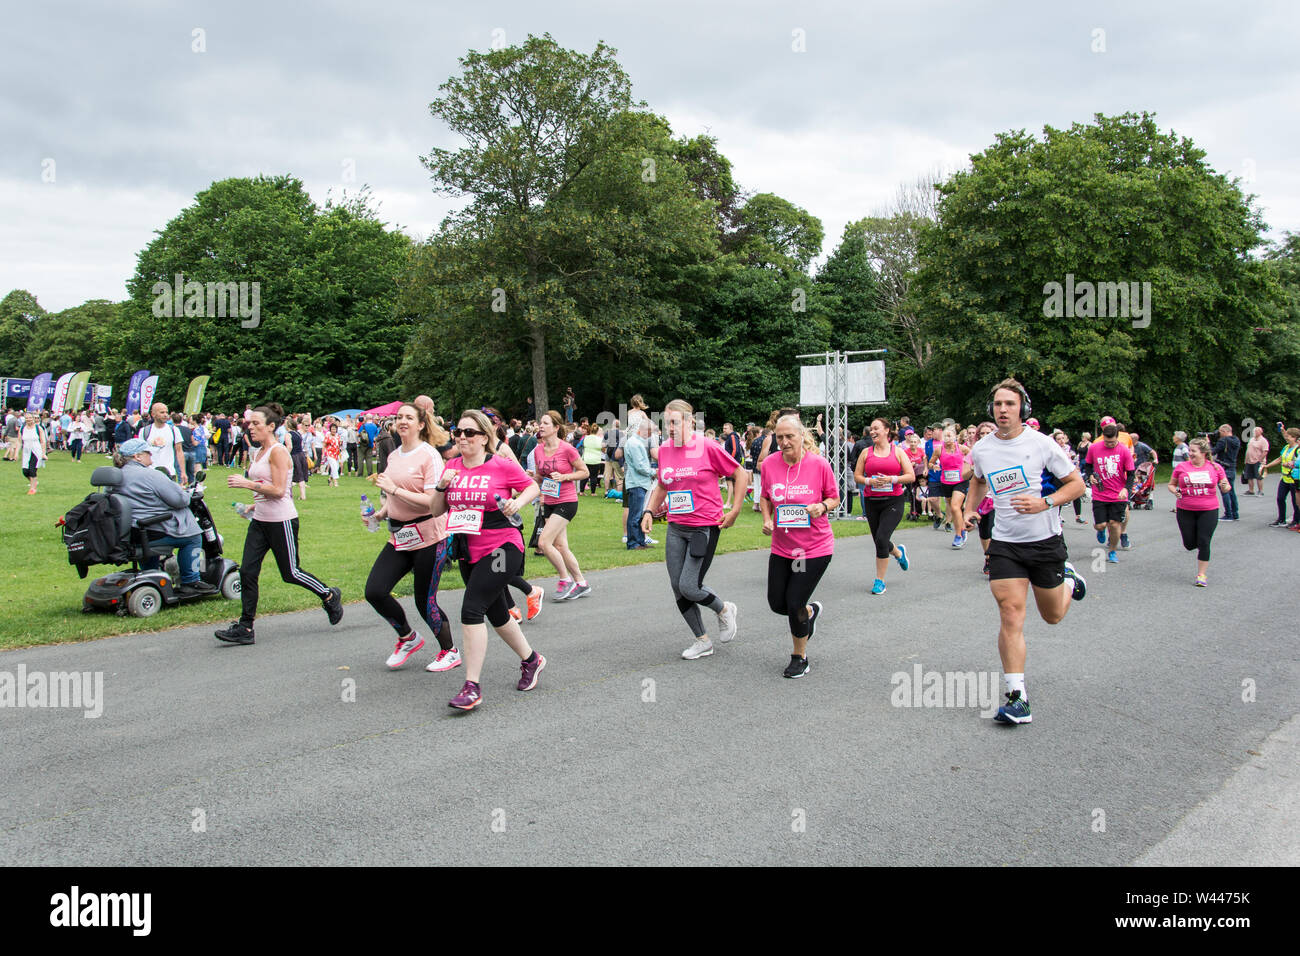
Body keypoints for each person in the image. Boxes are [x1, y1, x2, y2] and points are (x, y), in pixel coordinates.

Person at [963, 379, 1087, 726]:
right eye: (998, 404)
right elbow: (978, 480)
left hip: (1045, 541)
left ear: (1023, 409)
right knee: (1010, 613)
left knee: (1052, 616)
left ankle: (1069, 582)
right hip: (1005, 544)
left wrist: (1044, 502)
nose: (1003, 409)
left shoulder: (1042, 444)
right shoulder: (984, 449)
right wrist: (972, 510)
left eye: (1010, 404)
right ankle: (1018, 698)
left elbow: (1076, 485)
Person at [431, 409, 545, 711]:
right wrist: (442, 486)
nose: (463, 438)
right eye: (459, 432)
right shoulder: (452, 466)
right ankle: (532, 660)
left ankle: (472, 686)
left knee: (471, 610)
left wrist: (516, 502)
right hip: (469, 550)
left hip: (502, 545)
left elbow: (532, 486)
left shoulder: (500, 465)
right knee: (496, 615)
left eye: (470, 433)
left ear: (484, 437)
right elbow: (435, 510)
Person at [215, 403, 343, 645]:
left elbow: (278, 490)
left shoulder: (278, 452)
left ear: (271, 426)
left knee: (290, 573)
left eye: (256, 424)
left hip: (281, 520)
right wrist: (253, 504)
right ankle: (245, 627)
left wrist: (247, 485)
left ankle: (328, 595)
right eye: (249, 423)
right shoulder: (258, 452)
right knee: (247, 571)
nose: (250, 427)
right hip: (260, 520)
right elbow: (267, 489)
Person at [641, 399, 747, 661]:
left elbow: (741, 474)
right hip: (677, 528)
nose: (671, 428)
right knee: (677, 587)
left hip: (704, 527)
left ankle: (723, 610)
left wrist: (733, 510)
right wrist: (648, 511)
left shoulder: (707, 446)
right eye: (667, 423)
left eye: (676, 422)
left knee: (689, 585)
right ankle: (702, 640)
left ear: (690, 422)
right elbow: (663, 486)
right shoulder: (665, 450)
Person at [367, 403, 461, 672]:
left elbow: (432, 502)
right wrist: (379, 515)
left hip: (430, 535)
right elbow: (390, 496)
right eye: (399, 417)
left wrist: (395, 490)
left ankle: (450, 651)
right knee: (375, 590)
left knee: (424, 600)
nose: (402, 421)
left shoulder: (428, 455)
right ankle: (407, 638)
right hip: (400, 535)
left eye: (409, 417)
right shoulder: (394, 456)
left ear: (421, 424)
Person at [760, 413, 838, 678]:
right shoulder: (770, 465)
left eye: (789, 436)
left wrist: (821, 506)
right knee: (776, 603)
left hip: (813, 548)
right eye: (779, 437)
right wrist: (768, 519)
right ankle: (809, 612)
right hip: (783, 546)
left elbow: (834, 498)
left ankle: (799, 656)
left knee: (793, 602)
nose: (783, 442)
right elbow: (765, 498)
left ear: (802, 436)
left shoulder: (818, 465)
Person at [113, 437, 215, 595]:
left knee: (147, 533)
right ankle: (191, 580)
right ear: (137, 456)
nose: (151, 458)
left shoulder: (116, 476)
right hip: (152, 529)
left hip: (129, 532)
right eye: (148, 454)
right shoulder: (150, 475)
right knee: (193, 537)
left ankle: (151, 574)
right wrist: (186, 494)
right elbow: (179, 499)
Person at [531, 410, 593, 600]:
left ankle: (565, 579)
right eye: (540, 423)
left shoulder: (567, 449)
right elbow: (541, 477)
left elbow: (585, 472)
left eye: (546, 423)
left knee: (543, 542)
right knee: (560, 546)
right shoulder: (538, 450)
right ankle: (581, 583)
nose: (541, 426)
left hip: (566, 501)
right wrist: (532, 478)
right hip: (549, 501)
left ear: (556, 428)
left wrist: (565, 476)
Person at [852, 417, 914, 594]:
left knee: (881, 539)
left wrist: (892, 479)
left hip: (893, 501)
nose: (872, 432)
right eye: (871, 429)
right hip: (872, 502)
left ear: (886, 430)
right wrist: (870, 481)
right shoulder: (866, 452)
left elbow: (910, 476)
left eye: (876, 428)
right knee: (880, 541)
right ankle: (898, 553)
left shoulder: (898, 452)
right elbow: (857, 476)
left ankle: (879, 581)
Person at [1168, 437, 1231, 586]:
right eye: (1189, 450)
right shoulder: (1182, 467)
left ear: (1203, 453)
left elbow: (1226, 487)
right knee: (1189, 544)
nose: (1190, 453)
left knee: (1204, 541)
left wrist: (1224, 486)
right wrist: (1175, 491)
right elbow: (1171, 484)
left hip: (1208, 509)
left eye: (1193, 451)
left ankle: (1201, 575)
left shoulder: (1215, 468)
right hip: (1185, 509)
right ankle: (1197, 544)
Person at [1083, 423, 1135, 563]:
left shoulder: (1124, 450)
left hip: (1118, 494)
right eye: (1106, 441)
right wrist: (1090, 476)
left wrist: (1126, 489)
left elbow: (1131, 474)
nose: (1109, 444)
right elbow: (1087, 466)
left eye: (1112, 442)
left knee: (1114, 524)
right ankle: (1100, 530)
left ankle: (1112, 551)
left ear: (1117, 438)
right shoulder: (1094, 448)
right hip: (1100, 492)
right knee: (1101, 525)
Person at [623, 414, 655, 549]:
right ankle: (633, 543)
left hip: (639, 482)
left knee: (639, 514)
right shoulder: (634, 444)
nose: (650, 435)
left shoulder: (636, 442)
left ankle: (640, 541)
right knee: (635, 515)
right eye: (650, 432)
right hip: (637, 483)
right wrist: (654, 472)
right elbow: (640, 466)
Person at [1264, 427, 1300, 529]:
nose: (1286, 437)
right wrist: (1267, 466)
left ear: (1294, 437)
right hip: (1284, 478)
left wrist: (1291, 464)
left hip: (1294, 478)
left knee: (1295, 501)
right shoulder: (1286, 447)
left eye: (1288, 435)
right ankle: (1281, 519)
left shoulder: (1298, 449)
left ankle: (1296, 520)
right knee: (1280, 498)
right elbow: (1279, 459)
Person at [138, 403, 184, 483]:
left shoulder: (174, 430)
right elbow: (141, 452)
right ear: (153, 414)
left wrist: (183, 472)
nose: (165, 415)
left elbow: (179, 452)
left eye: (166, 412)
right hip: (150, 472)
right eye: (162, 412)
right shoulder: (144, 431)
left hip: (169, 472)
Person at [1211, 424, 1241, 521]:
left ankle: (1228, 514)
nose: (1218, 434)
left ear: (1224, 431)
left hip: (1223, 468)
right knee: (1231, 491)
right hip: (1232, 466)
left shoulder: (1223, 441)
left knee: (1225, 492)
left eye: (1220, 432)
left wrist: (1208, 443)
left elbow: (1212, 452)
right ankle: (1235, 513)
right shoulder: (1236, 440)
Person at [19, 412, 47, 494]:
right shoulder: (22, 428)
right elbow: (19, 441)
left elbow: (43, 441)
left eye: (30, 418)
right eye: (27, 418)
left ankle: (32, 489)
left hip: (36, 451)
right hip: (26, 452)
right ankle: (33, 481)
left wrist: (43, 453)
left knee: (32, 470)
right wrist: (16, 453)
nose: (28, 419)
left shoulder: (38, 428)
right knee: (25, 471)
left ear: (33, 419)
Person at [1243, 426, 1269, 496]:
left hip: (1258, 461)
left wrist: (1260, 459)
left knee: (1258, 477)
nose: (1255, 432)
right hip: (1249, 461)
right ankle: (1251, 490)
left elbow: (1265, 451)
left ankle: (1260, 491)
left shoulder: (1263, 440)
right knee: (1249, 476)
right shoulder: (1251, 439)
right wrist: (1246, 460)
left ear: (1261, 432)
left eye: (1256, 431)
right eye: (1254, 431)